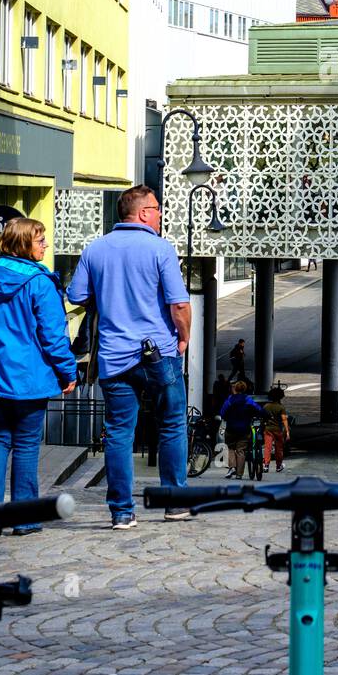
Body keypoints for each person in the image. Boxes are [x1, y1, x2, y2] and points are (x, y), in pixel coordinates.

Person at [67, 186, 191, 529]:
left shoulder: (95, 249)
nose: (161, 214)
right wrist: (184, 338)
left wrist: (109, 293)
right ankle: (174, 503)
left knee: (120, 432)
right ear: (142, 213)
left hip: (114, 357)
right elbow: (179, 304)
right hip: (159, 355)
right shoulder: (160, 248)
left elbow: (76, 294)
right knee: (171, 424)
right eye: (157, 208)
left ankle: (121, 512)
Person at [0, 218, 77, 535]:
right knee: (26, 446)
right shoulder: (40, 284)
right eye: (40, 240)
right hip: (29, 378)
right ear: (24, 244)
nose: (45, 245)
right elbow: (54, 337)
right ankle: (24, 518)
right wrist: (69, 372)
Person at [219, 381, 262, 478]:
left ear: (235, 389)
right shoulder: (248, 400)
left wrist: (227, 418)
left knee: (230, 448)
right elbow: (258, 409)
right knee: (241, 451)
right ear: (245, 389)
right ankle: (239, 474)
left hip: (231, 428)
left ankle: (232, 467)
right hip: (244, 429)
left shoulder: (230, 400)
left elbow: (222, 413)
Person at [262, 386, 290, 473]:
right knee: (279, 449)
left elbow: (263, 418)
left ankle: (266, 465)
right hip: (278, 430)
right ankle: (278, 466)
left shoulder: (266, 406)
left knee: (267, 447)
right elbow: (284, 419)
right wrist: (287, 431)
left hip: (268, 430)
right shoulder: (281, 407)